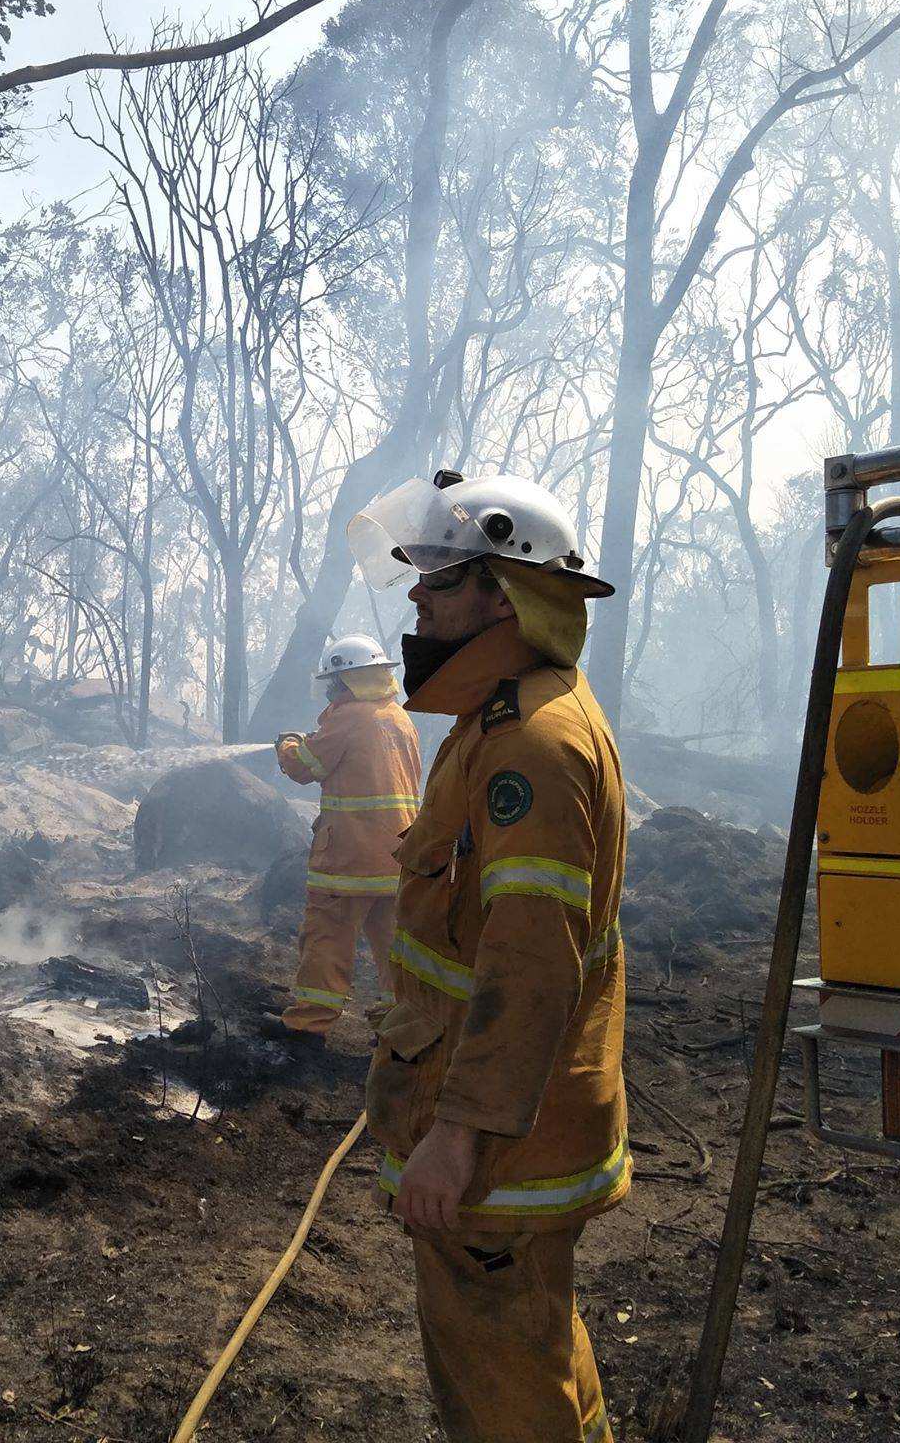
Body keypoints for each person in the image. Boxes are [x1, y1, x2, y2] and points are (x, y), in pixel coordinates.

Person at [348, 470, 628, 1443]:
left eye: (439, 576)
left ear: (502, 595)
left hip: (500, 1155)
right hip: (519, 1130)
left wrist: (457, 1138)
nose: (415, 595)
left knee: (502, 1399)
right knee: (535, 1353)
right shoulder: (498, 718)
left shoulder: (529, 746)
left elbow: (529, 960)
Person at [266, 635, 423, 1044]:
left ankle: (308, 1024)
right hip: (399, 856)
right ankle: (398, 1028)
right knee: (395, 946)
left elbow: (306, 766)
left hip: (349, 858)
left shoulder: (350, 717)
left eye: (335, 682)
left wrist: (288, 744)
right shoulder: (399, 718)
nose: (331, 691)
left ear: (349, 681)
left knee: (327, 938)